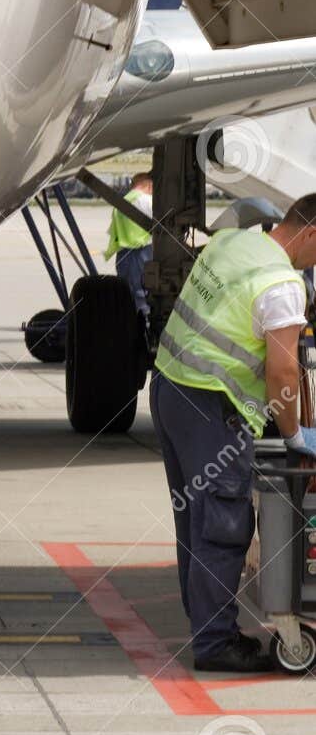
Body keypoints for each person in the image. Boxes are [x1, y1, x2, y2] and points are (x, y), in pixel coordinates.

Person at [151, 194, 316, 674]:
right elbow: (283, 375)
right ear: (310, 233)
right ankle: (217, 643)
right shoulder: (282, 284)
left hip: (169, 388)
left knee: (194, 518)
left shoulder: (234, 243)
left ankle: (204, 622)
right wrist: (293, 438)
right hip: (210, 403)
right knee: (223, 525)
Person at [104, 171, 154, 316]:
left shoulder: (122, 203)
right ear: (149, 186)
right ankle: (145, 325)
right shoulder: (146, 201)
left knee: (128, 293)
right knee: (143, 295)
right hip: (142, 252)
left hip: (123, 254)